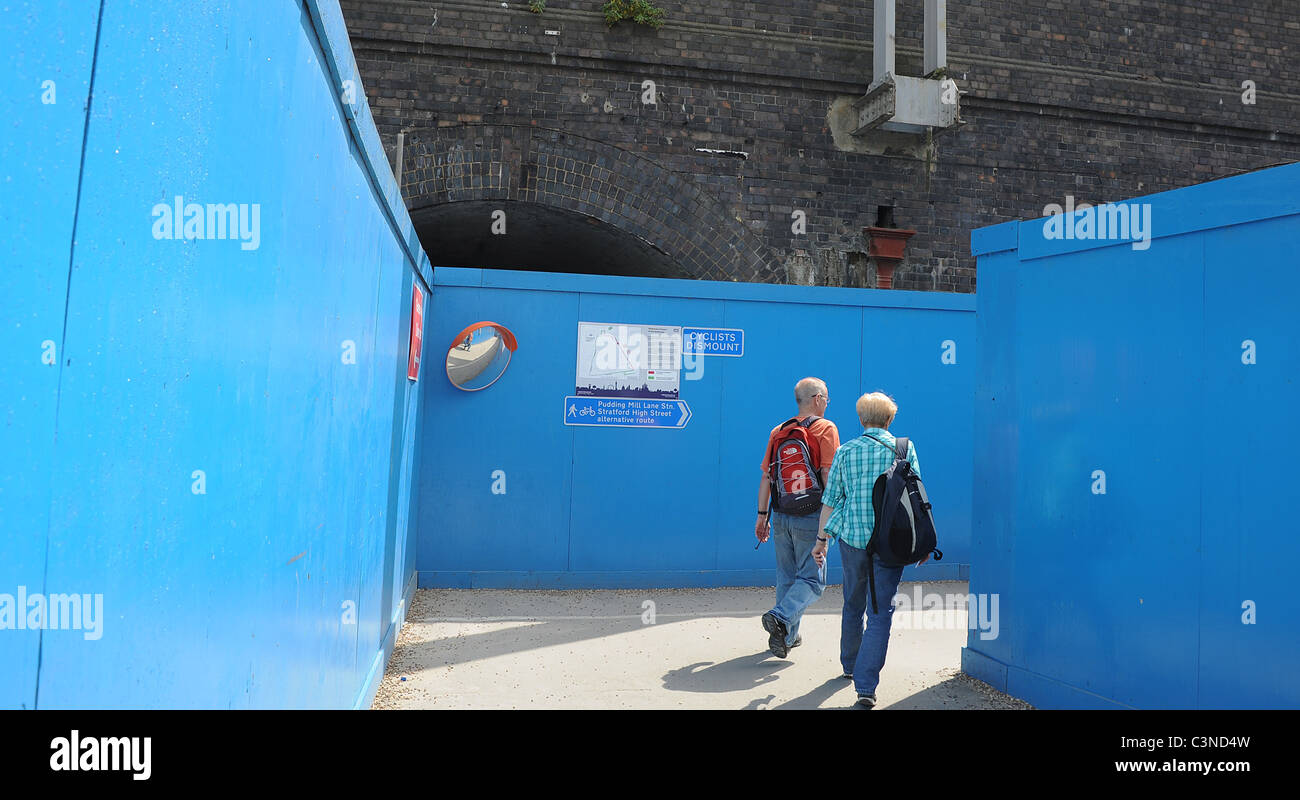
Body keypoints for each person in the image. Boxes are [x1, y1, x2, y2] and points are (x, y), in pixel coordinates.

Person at [812, 391, 926, 708]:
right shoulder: (904, 449)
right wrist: (923, 540)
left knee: (853, 602)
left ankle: (850, 666)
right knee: (880, 614)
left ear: (861, 419)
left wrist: (821, 541)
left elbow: (830, 502)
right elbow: (916, 496)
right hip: (892, 543)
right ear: (890, 419)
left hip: (852, 540)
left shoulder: (845, 452)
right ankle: (866, 687)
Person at [755, 377, 840, 658]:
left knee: (786, 577)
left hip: (780, 516)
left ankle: (787, 637)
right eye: (827, 398)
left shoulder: (778, 431)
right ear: (817, 399)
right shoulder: (826, 428)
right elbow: (827, 474)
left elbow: (767, 477)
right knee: (813, 581)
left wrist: (761, 515)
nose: (827, 403)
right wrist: (836, 511)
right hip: (811, 516)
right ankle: (780, 616)